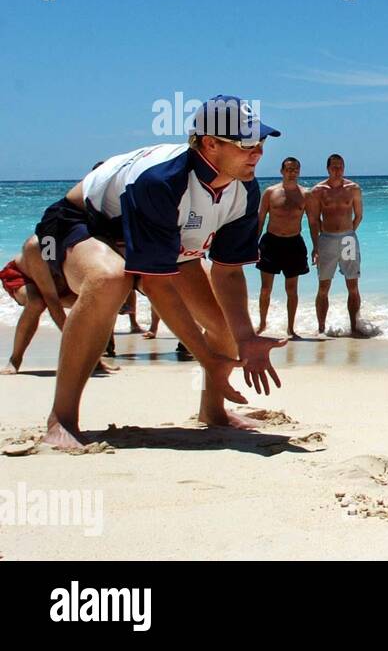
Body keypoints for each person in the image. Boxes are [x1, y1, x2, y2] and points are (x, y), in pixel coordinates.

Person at [33, 94, 286, 448]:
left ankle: (213, 411)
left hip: (170, 238)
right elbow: (156, 286)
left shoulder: (244, 188)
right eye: (246, 144)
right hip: (87, 223)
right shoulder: (160, 181)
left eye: (261, 142)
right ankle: (62, 418)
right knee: (110, 278)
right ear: (210, 143)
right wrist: (206, 357)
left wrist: (245, 337)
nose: (258, 152)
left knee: (224, 321)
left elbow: (227, 272)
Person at [2, 235, 116, 375]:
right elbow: (53, 303)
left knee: (94, 303)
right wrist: (76, 343)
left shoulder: (80, 238)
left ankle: (94, 359)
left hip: (60, 280)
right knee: (37, 302)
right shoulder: (38, 244)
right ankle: (15, 359)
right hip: (26, 277)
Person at [306, 154, 365, 336]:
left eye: (340, 166)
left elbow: (359, 215)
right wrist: (316, 246)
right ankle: (321, 329)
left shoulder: (353, 188)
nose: (337, 170)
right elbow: (314, 221)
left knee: (353, 285)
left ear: (344, 167)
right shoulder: (317, 191)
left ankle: (355, 327)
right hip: (326, 239)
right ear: (327, 168)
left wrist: (349, 232)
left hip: (348, 239)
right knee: (323, 286)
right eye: (334, 167)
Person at [255, 157, 309, 338]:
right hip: (271, 243)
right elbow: (261, 219)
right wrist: (253, 244)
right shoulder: (270, 192)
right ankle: (262, 324)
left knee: (292, 290)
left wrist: (317, 246)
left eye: (295, 169)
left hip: (294, 243)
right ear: (282, 171)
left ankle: (291, 328)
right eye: (288, 169)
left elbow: (314, 222)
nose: (292, 173)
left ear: (299, 172)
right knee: (265, 289)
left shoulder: (305, 194)